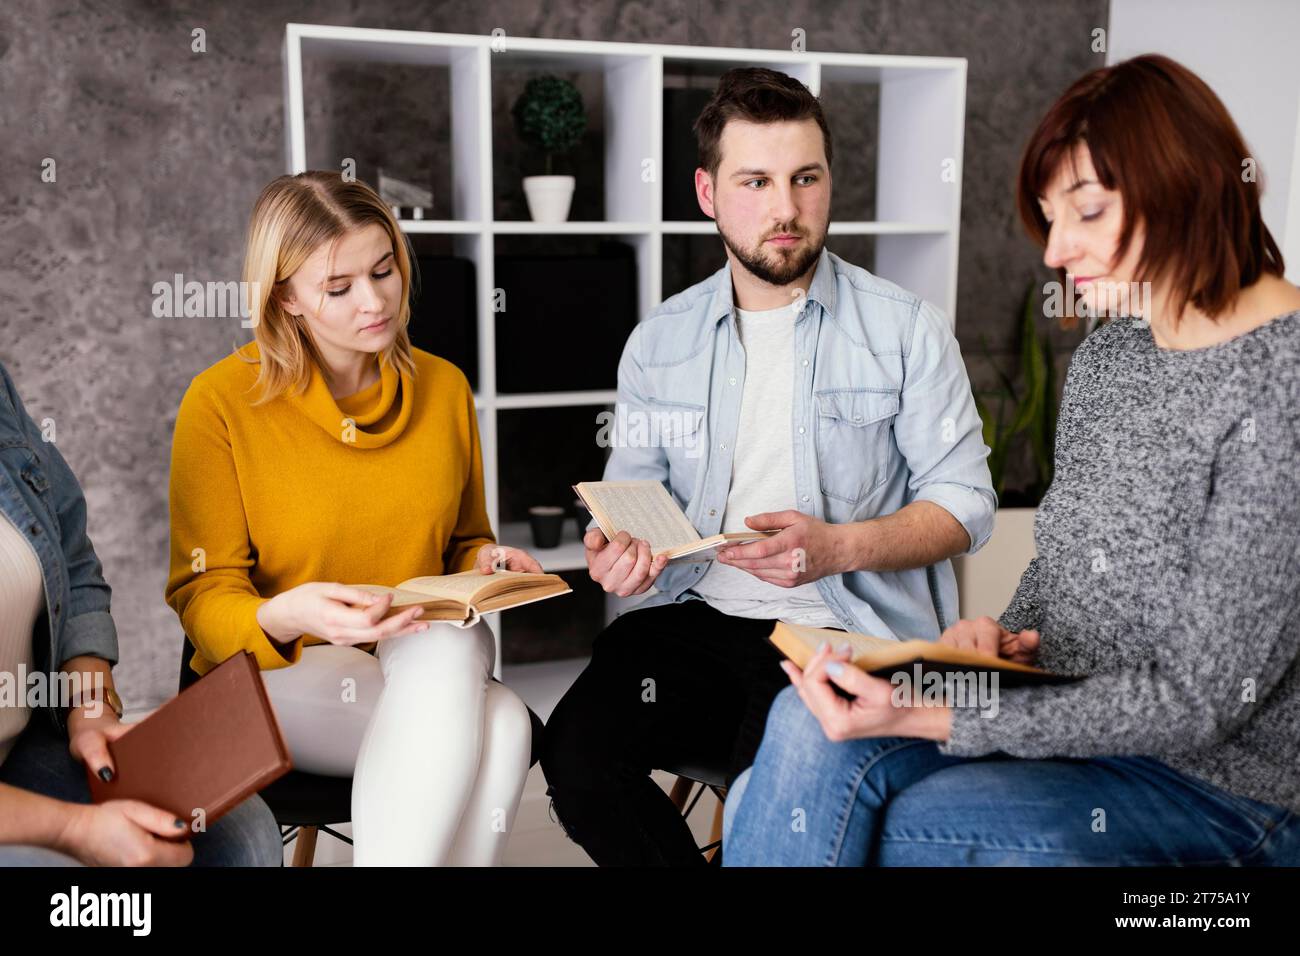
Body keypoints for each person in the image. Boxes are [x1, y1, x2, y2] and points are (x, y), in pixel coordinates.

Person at [723, 53, 1300, 866]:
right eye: (1048, 216)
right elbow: (1064, 565)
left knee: (807, 811)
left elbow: (1198, 700)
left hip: (1223, 791)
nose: (1057, 249)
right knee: (803, 720)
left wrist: (937, 715)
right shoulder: (1112, 362)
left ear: (1189, 186)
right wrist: (999, 637)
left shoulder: (1282, 388)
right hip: (1056, 704)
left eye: (1087, 212)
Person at [540, 67, 995, 865]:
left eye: (805, 178)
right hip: (696, 623)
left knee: (770, 808)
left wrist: (838, 547)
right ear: (708, 192)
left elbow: (966, 505)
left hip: (843, 636)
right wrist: (620, 555)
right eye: (755, 181)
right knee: (575, 758)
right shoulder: (661, 339)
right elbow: (632, 496)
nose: (785, 209)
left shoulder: (908, 330)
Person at [164, 172, 540, 866]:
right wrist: (291, 613)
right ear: (285, 295)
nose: (374, 302)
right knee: (505, 721)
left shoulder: (445, 388)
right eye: (338, 288)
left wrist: (486, 565)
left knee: (450, 651)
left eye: (384, 270)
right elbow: (202, 596)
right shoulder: (221, 403)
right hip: (270, 676)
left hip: (418, 659)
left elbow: (464, 540)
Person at [0, 360, 281, 866]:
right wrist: (76, 830)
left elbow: (71, 558)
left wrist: (91, 712)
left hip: (18, 743)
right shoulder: (219, 398)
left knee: (242, 835)